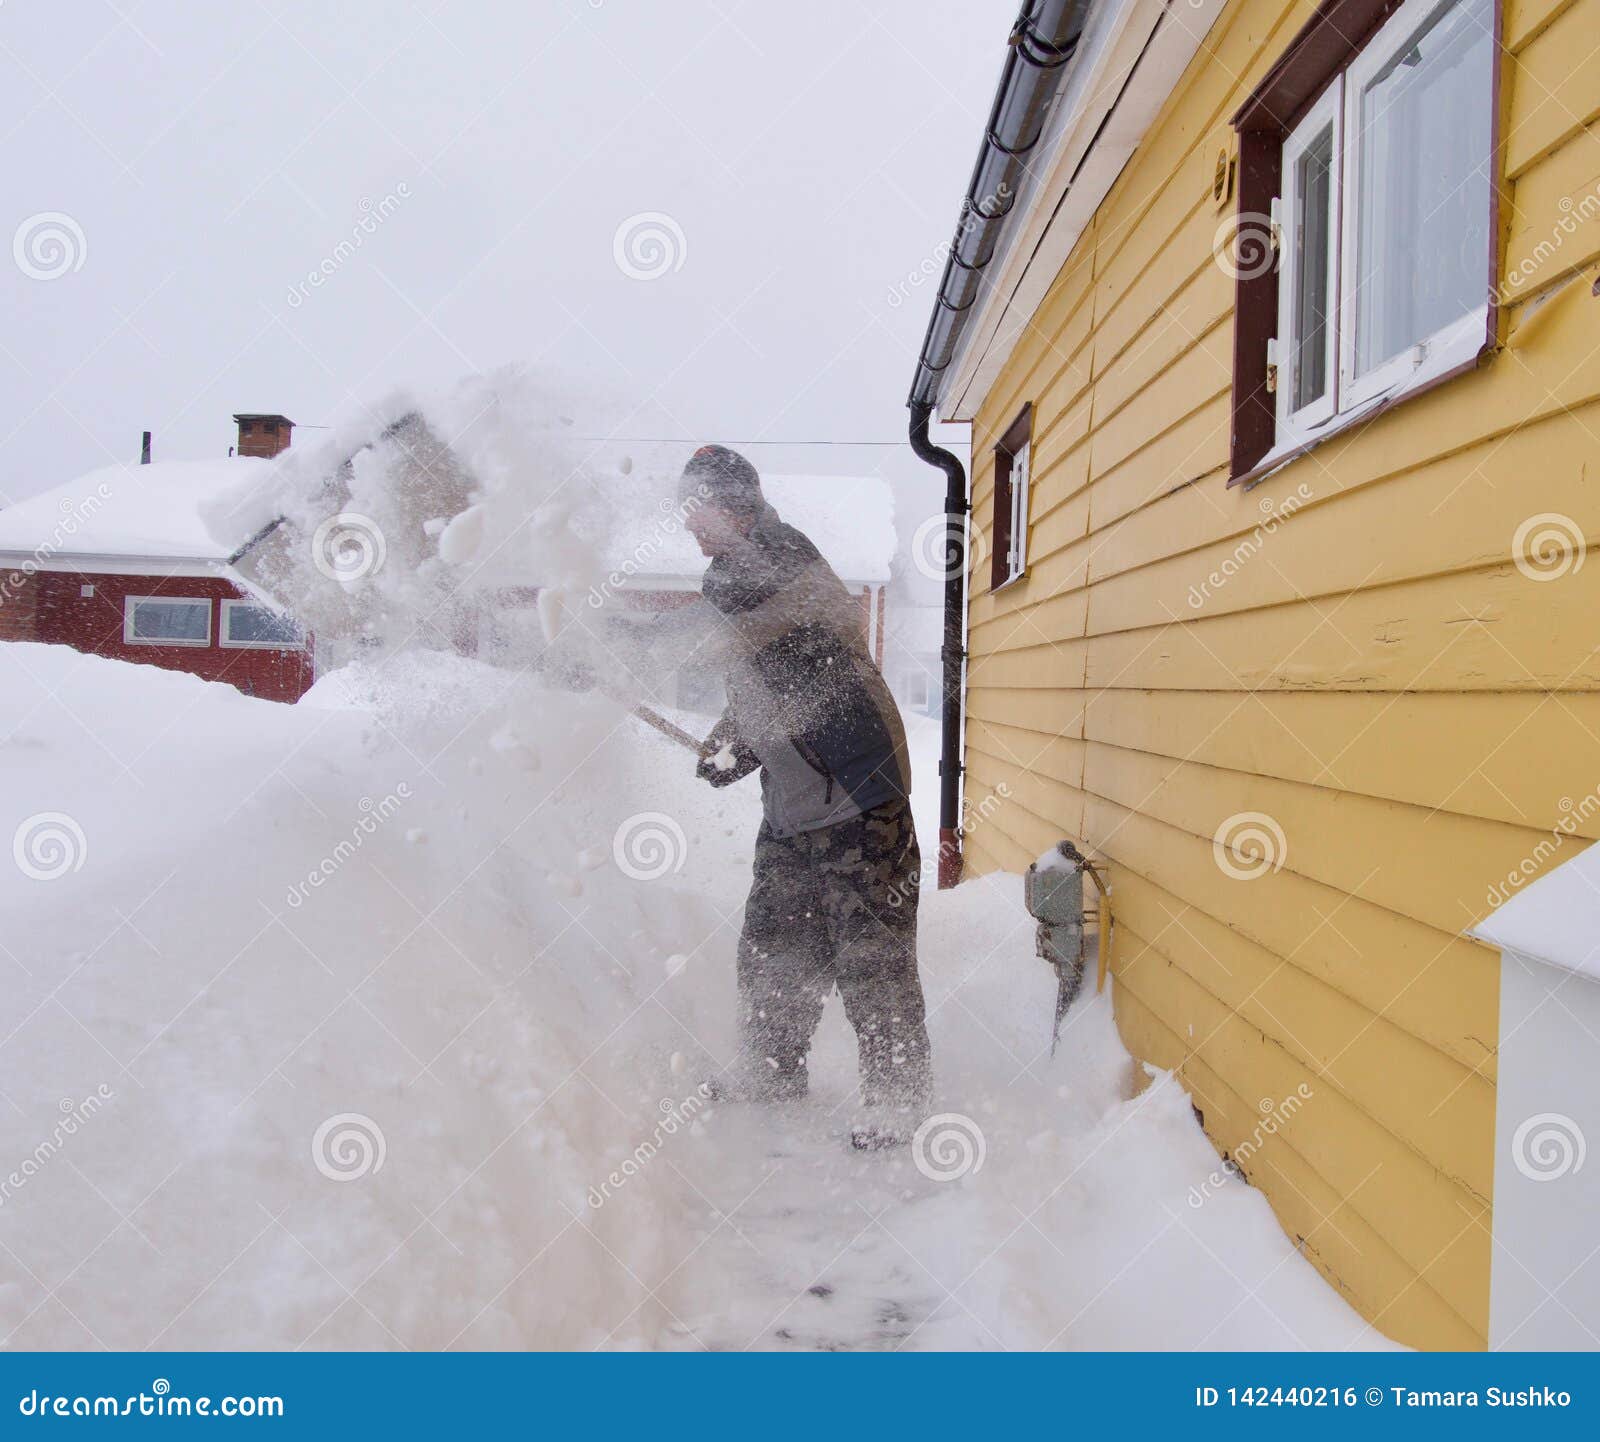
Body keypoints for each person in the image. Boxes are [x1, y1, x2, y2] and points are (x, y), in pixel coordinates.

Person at [679, 445, 932, 1142]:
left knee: (871, 953)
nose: (689, 525)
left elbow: (798, 659)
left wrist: (749, 734)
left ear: (738, 506)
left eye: (700, 508)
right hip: (793, 804)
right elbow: (759, 682)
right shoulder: (732, 575)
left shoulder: (779, 558)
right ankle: (771, 1067)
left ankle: (898, 1097)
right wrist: (733, 739)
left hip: (857, 788)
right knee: (772, 942)